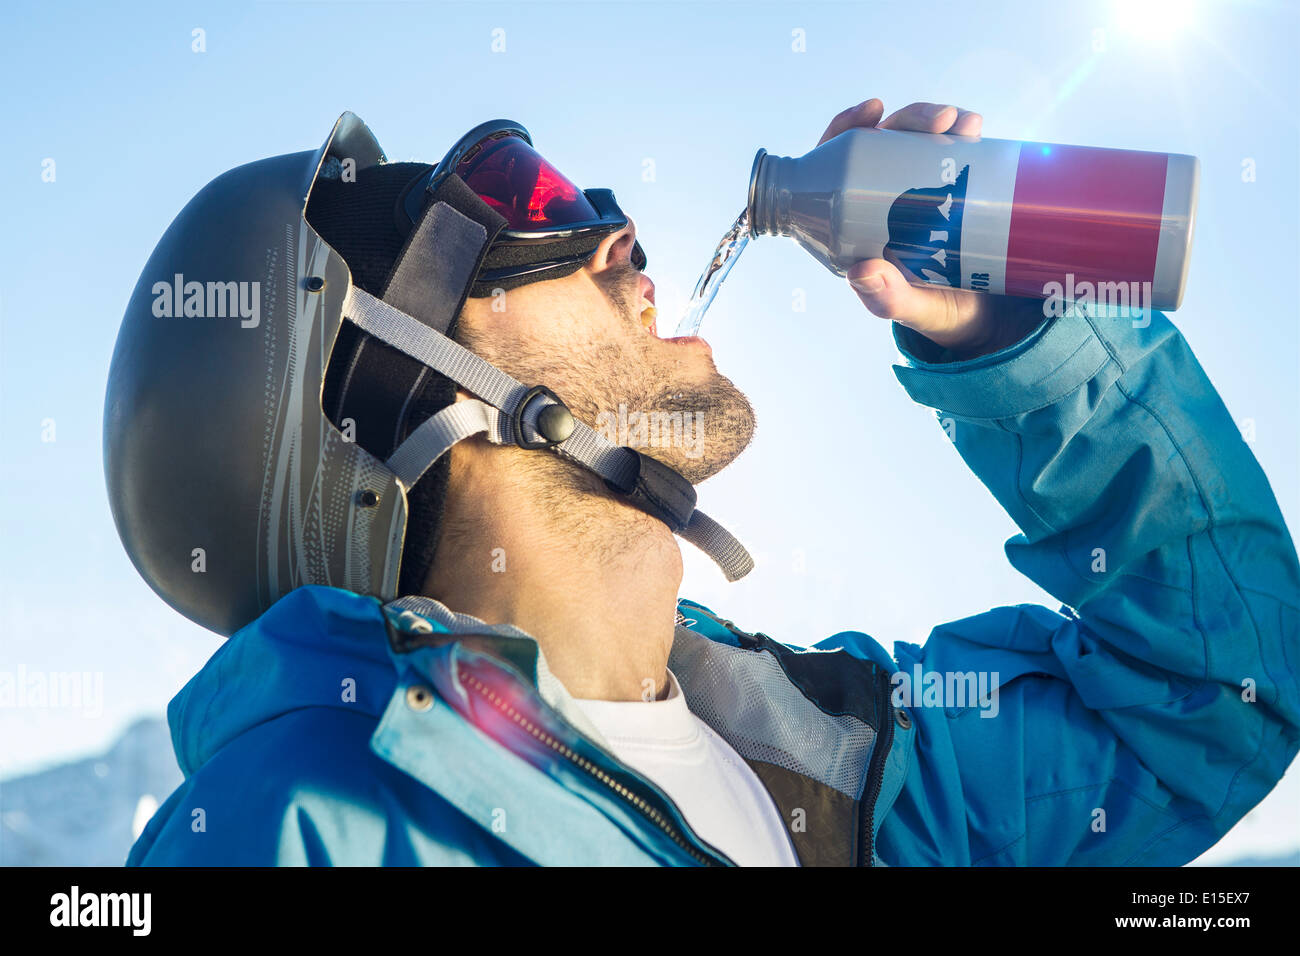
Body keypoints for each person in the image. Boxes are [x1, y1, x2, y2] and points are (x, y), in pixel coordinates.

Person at [108, 99, 1300, 867]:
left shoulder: (834, 767)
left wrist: (1019, 355)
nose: (618, 231)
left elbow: (1212, 701)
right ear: (389, 386)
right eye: (524, 202)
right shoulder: (294, 831)